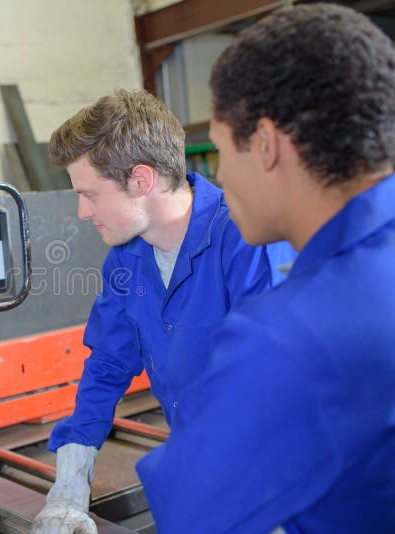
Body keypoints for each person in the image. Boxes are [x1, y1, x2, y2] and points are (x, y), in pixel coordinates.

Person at [135, 4, 395, 533]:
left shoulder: (288, 338)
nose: (219, 173)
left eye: (222, 146)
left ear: (267, 144)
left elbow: (192, 514)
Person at [31, 88, 296, 532]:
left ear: (141, 180)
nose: (81, 211)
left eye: (90, 194)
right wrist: (69, 489)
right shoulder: (126, 257)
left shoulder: (248, 239)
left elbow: (274, 384)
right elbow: (108, 366)